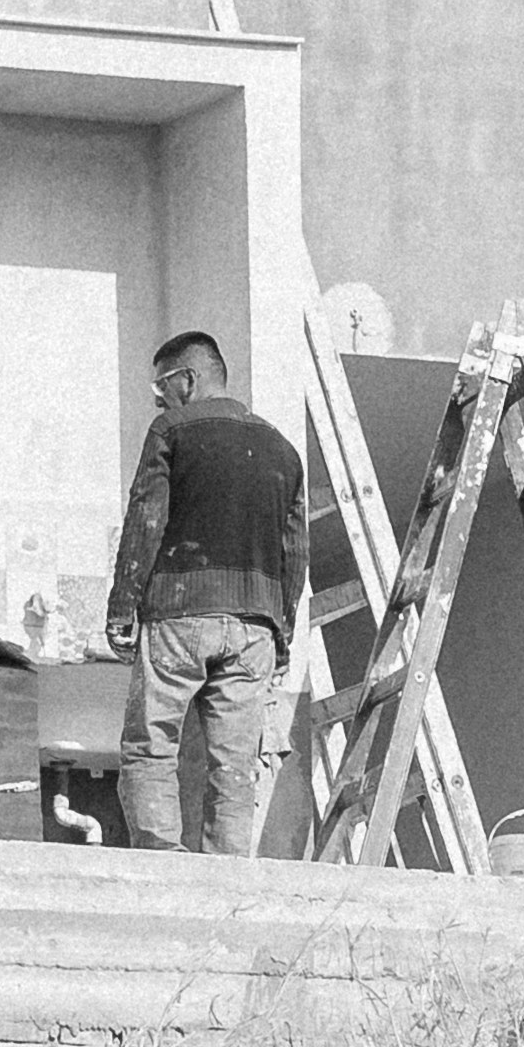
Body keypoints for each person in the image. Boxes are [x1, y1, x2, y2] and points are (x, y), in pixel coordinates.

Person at [104, 328, 310, 855]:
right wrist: (282, 631)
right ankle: (227, 879)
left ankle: (162, 868)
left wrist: (122, 607)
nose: (158, 398)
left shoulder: (171, 429)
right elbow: (295, 552)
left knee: (151, 750)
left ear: (189, 380)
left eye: (162, 386)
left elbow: (146, 519)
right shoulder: (283, 450)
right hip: (255, 629)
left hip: (179, 614)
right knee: (235, 766)